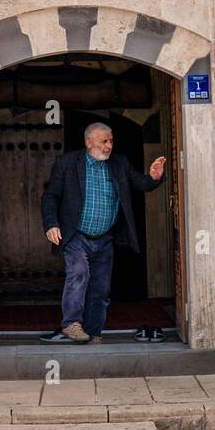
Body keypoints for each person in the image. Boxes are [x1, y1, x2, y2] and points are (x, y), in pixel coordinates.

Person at [40, 121, 166, 343]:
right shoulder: (68, 163)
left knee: (100, 287)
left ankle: (94, 333)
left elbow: (141, 184)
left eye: (111, 141)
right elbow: (50, 196)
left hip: (105, 237)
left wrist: (154, 177)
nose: (109, 146)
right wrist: (52, 224)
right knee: (79, 273)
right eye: (103, 141)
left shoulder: (120, 163)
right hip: (75, 234)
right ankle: (71, 324)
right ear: (89, 142)